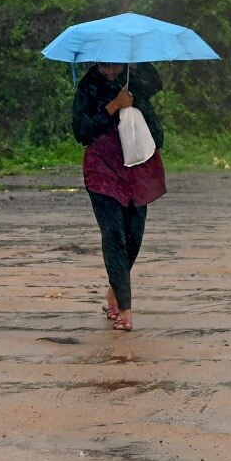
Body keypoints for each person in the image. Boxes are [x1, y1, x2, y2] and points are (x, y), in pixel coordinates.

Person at [71, 62, 166, 332]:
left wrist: (135, 64)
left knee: (134, 234)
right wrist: (114, 105)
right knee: (114, 235)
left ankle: (115, 288)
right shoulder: (88, 85)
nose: (110, 67)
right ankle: (125, 308)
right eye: (105, 63)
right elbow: (81, 130)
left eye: (115, 62)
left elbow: (155, 83)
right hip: (103, 168)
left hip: (138, 166)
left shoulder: (134, 76)